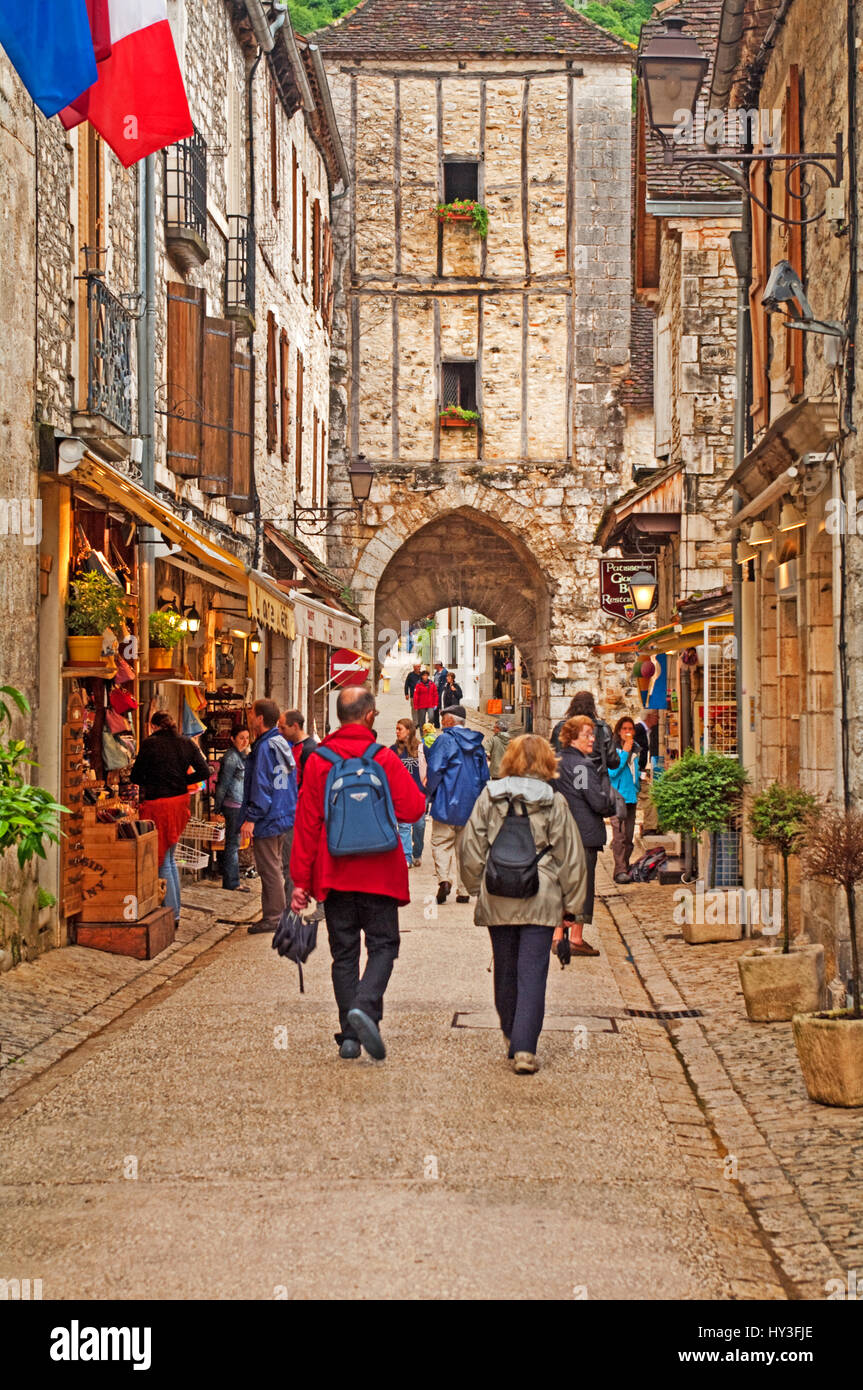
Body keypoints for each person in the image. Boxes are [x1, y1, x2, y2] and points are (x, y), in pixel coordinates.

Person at [289, 687, 426, 1060]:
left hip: (335, 874)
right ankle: (365, 1008)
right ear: (369, 716)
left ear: (338, 716)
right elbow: (414, 809)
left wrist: (300, 883)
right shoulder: (382, 758)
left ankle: (350, 1036)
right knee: (383, 946)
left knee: (344, 953)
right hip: (380, 873)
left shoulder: (319, 761)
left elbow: (306, 825)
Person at [459, 734, 586, 1075]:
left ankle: (509, 1031)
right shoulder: (554, 801)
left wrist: (475, 886)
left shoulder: (489, 796)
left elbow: (470, 846)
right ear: (547, 761)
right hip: (541, 895)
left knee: (505, 968)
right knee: (532, 972)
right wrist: (572, 906)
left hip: (498, 891)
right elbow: (570, 857)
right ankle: (525, 1047)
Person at [130, 711, 210, 924]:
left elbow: (135, 776)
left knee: (163, 859)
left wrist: (153, 777)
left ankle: (172, 914)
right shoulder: (186, 743)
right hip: (179, 803)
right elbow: (205, 771)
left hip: (158, 805)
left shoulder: (149, 744)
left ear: (153, 726)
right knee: (170, 857)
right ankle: (174, 910)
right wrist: (183, 779)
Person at [239, 699, 297, 936]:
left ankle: (274, 917)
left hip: (268, 816)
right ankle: (274, 914)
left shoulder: (264, 747)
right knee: (274, 865)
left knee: (269, 868)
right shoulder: (280, 742)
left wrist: (251, 817)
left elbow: (262, 785)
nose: (249, 717)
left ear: (260, 718)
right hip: (283, 812)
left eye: (251, 713)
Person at [425, 705, 489, 905]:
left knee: (441, 842)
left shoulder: (444, 740)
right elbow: (484, 775)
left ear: (451, 721)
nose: (441, 723)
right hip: (470, 803)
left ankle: (444, 879)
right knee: (464, 848)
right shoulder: (476, 743)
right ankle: (463, 890)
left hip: (446, 800)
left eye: (443, 719)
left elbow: (435, 769)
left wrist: (429, 794)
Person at [555, 715, 606, 957]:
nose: (592, 739)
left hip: (560, 833)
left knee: (561, 884)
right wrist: (609, 802)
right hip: (583, 834)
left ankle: (556, 936)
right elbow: (595, 800)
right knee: (582, 887)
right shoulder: (582, 766)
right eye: (587, 734)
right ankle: (575, 937)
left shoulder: (556, 762)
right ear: (573, 737)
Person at [213, 728, 251, 892]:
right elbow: (223, 784)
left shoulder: (243, 756)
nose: (245, 741)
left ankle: (232, 881)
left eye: (247, 738)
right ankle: (232, 882)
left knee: (234, 843)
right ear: (232, 739)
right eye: (241, 738)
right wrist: (218, 806)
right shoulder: (231, 757)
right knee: (232, 844)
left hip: (240, 804)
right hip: (232, 805)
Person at [550, 690, 619, 775]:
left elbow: (553, 758)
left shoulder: (561, 727)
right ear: (593, 708)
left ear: (572, 706)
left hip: (568, 779)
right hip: (595, 780)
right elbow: (613, 762)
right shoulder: (602, 728)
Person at [390, 717, 427, 867]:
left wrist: (426, 785)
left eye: (400, 729)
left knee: (419, 825)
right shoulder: (393, 750)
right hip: (401, 795)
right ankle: (407, 856)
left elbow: (429, 768)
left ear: (409, 731)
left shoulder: (421, 749)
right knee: (404, 826)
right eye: (396, 729)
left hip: (419, 794)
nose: (397, 731)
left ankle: (417, 852)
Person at [608, 715, 641, 883]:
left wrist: (637, 788)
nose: (628, 732)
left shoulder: (636, 749)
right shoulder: (613, 750)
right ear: (619, 732)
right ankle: (619, 870)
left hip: (631, 797)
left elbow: (635, 772)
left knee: (628, 836)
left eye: (630, 729)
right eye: (624, 729)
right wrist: (625, 753)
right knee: (619, 836)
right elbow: (612, 773)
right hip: (618, 797)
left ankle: (625, 867)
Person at [431, 660, 448, 728]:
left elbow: (444, 684)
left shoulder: (444, 673)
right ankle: (436, 724)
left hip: (441, 692)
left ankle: (444, 724)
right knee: (435, 708)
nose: (434, 666)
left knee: (441, 708)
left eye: (435, 664)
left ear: (439, 665)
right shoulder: (436, 672)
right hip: (435, 692)